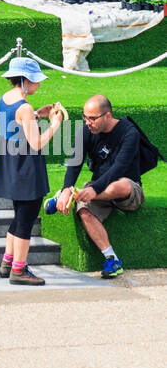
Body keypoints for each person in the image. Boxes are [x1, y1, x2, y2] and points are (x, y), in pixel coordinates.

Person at [45, 95, 146, 279]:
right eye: (85, 117)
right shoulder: (85, 132)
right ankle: (112, 259)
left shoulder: (129, 132)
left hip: (127, 191)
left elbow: (119, 168)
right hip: (96, 190)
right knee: (83, 210)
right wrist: (67, 187)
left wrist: (93, 190)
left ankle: (74, 195)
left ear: (107, 116)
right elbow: (75, 163)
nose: (88, 122)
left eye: (92, 118)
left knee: (120, 184)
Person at [0, 58, 65, 286]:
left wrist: (37, 114)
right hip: (25, 167)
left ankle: (8, 261)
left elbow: (15, 124)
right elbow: (36, 143)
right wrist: (55, 124)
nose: (38, 85)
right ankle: (19, 270)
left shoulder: (5, 99)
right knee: (27, 217)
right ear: (25, 81)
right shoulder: (24, 107)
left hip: (10, 164)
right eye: (35, 81)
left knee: (20, 214)